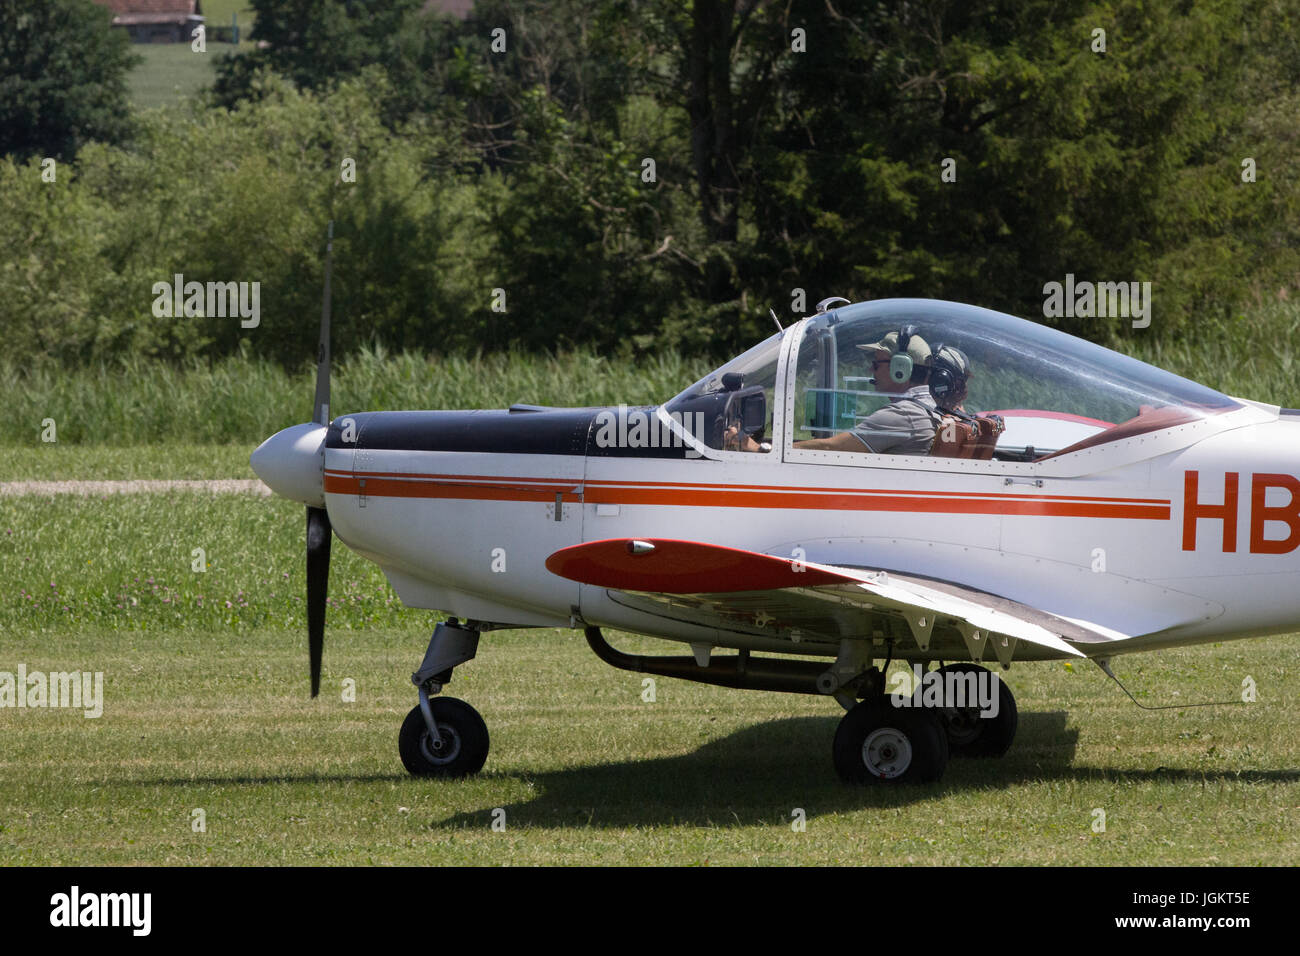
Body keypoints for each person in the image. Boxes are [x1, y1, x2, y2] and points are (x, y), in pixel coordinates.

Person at [795, 328, 940, 454]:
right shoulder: (930, 408)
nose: (871, 370)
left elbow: (831, 448)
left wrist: (777, 449)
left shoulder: (902, 416)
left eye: (876, 365)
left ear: (900, 369)